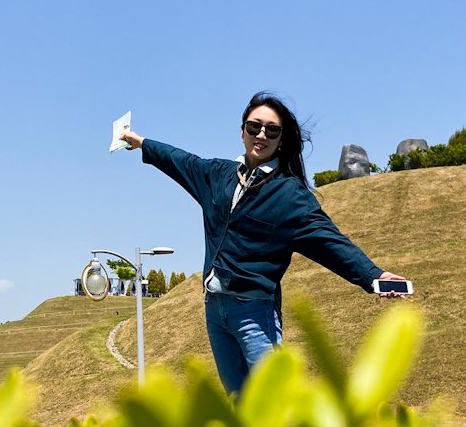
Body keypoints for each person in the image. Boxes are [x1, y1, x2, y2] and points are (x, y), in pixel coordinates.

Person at [118, 92, 408, 394]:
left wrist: (373, 276)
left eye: (272, 130)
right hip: (215, 310)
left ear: (281, 139)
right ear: (242, 131)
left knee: (272, 400)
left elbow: (329, 241)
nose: (261, 135)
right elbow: (180, 160)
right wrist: (141, 143)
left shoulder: (289, 195)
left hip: (254, 313)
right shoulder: (219, 175)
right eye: (254, 126)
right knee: (239, 401)